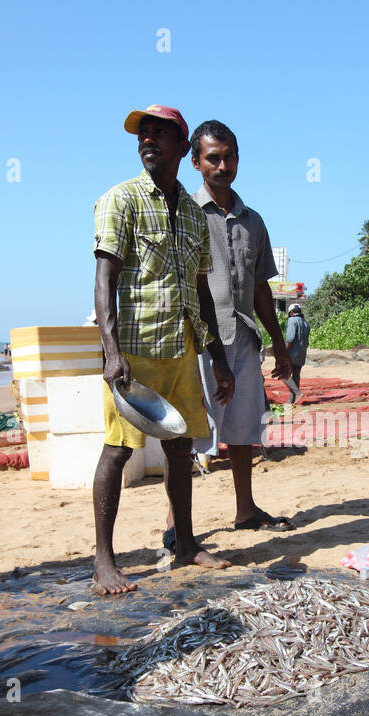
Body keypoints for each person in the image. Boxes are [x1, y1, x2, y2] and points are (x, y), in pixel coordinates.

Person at [91, 104, 236, 594]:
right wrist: (110, 350)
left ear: (181, 146)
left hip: (180, 347)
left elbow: (200, 294)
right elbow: (104, 280)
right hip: (133, 350)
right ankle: (104, 560)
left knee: (180, 450)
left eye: (158, 134)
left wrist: (217, 358)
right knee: (118, 450)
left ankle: (187, 544)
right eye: (142, 135)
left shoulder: (195, 216)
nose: (147, 141)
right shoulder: (121, 200)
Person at [182, 119, 294, 540]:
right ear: (196, 162)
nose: (222, 166)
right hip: (199, 342)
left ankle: (245, 510)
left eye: (229, 157)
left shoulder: (254, 221)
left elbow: (262, 286)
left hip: (245, 338)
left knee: (245, 428)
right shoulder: (187, 215)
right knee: (192, 432)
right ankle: (177, 525)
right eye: (213, 158)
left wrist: (280, 343)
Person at [284, 302, 310, 402]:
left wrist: (284, 352)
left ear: (291, 313)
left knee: (283, 374)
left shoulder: (292, 320)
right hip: (302, 353)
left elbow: (290, 339)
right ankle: (291, 401)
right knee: (296, 376)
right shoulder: (306, 323)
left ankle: (298, 393)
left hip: (292, 354)